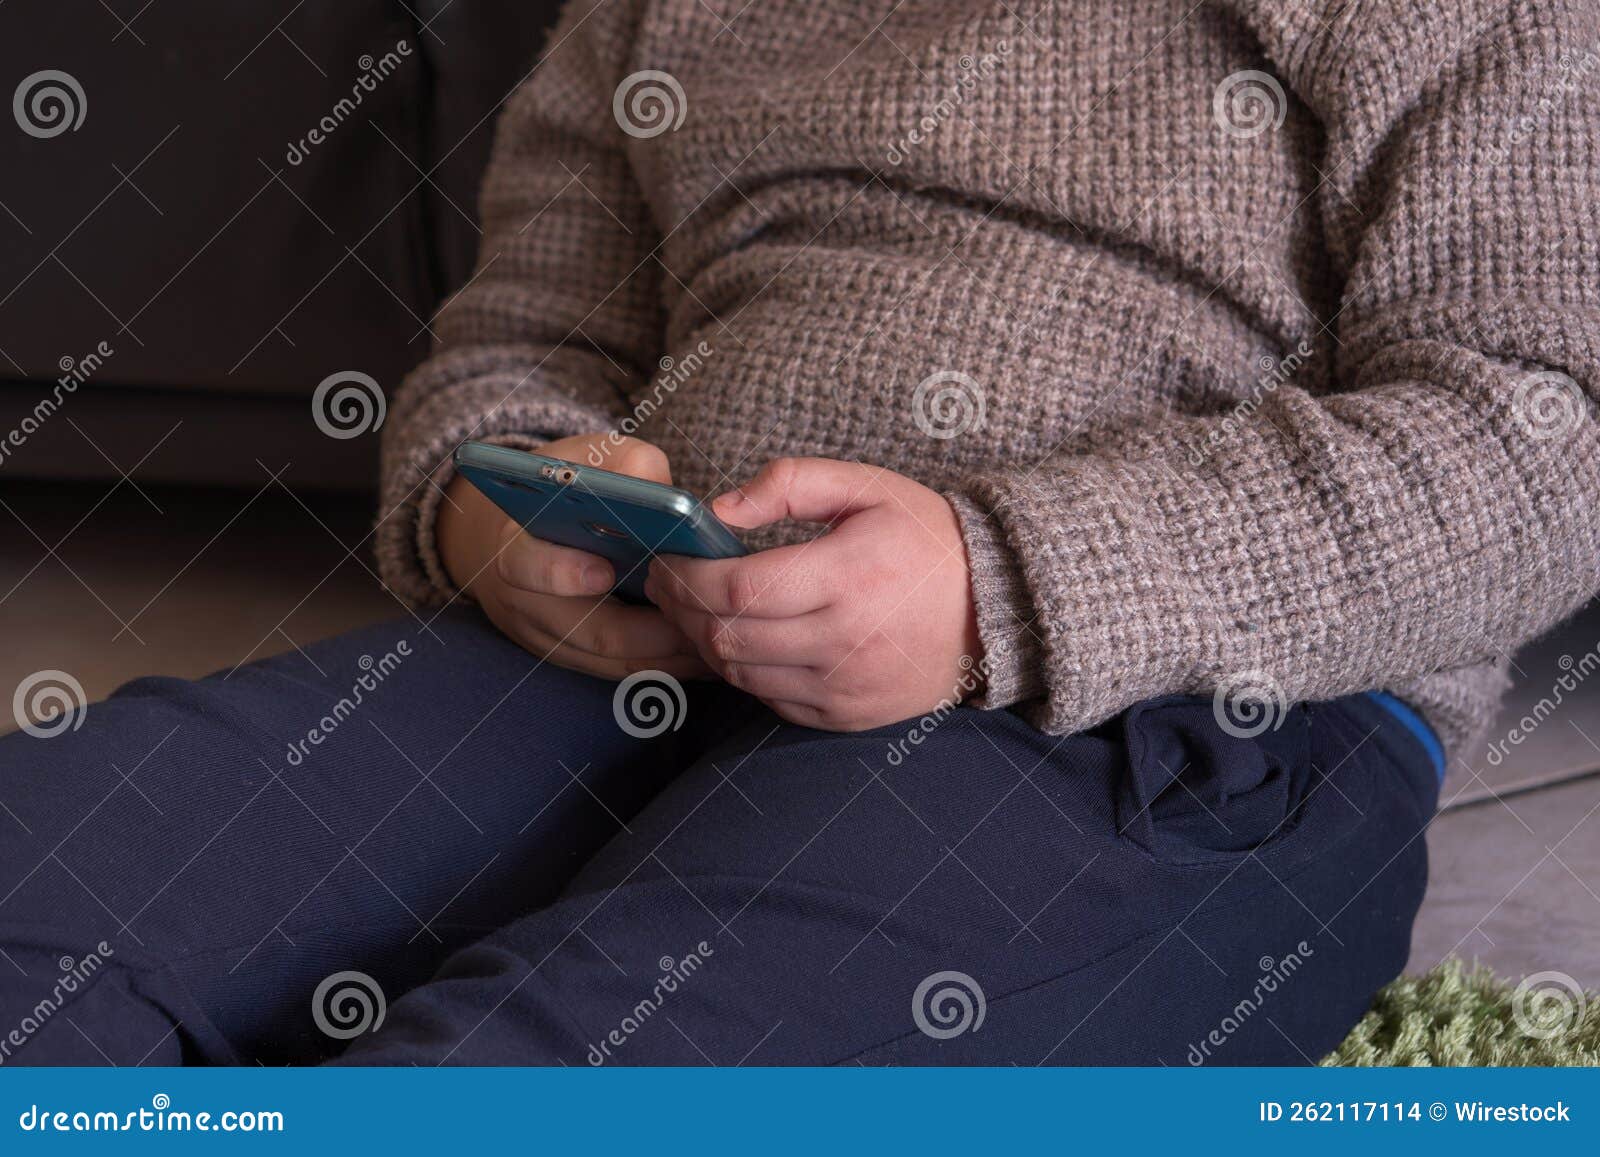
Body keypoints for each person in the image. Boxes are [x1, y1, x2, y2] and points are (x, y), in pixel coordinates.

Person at [1, 0, 1594, 1066]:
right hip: (657, 633)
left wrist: (1001, 578)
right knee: (55, 879)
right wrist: (500, 501)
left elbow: (1544, 435)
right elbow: (531, 334)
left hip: (1168, 705)